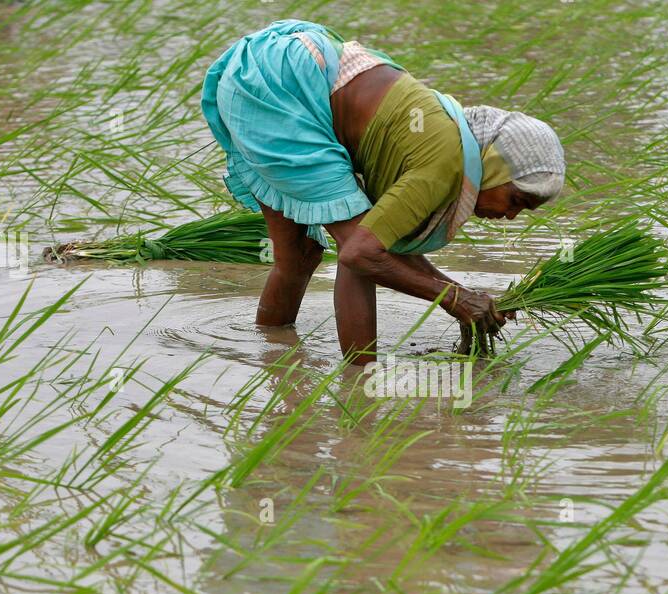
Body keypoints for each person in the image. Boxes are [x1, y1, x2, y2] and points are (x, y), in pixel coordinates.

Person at [201, 19, 566, 363]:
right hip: (282, 90)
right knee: (355, 247)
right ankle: (359, 384)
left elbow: (373, 247)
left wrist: (464, 299)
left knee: (300, 256)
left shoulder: (443, 138)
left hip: (273, 72)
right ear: (495, 166)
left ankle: (271, 353)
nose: (511, 215)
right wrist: (455, 298)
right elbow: (361, 255)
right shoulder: (444, 162)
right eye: (516, 200)